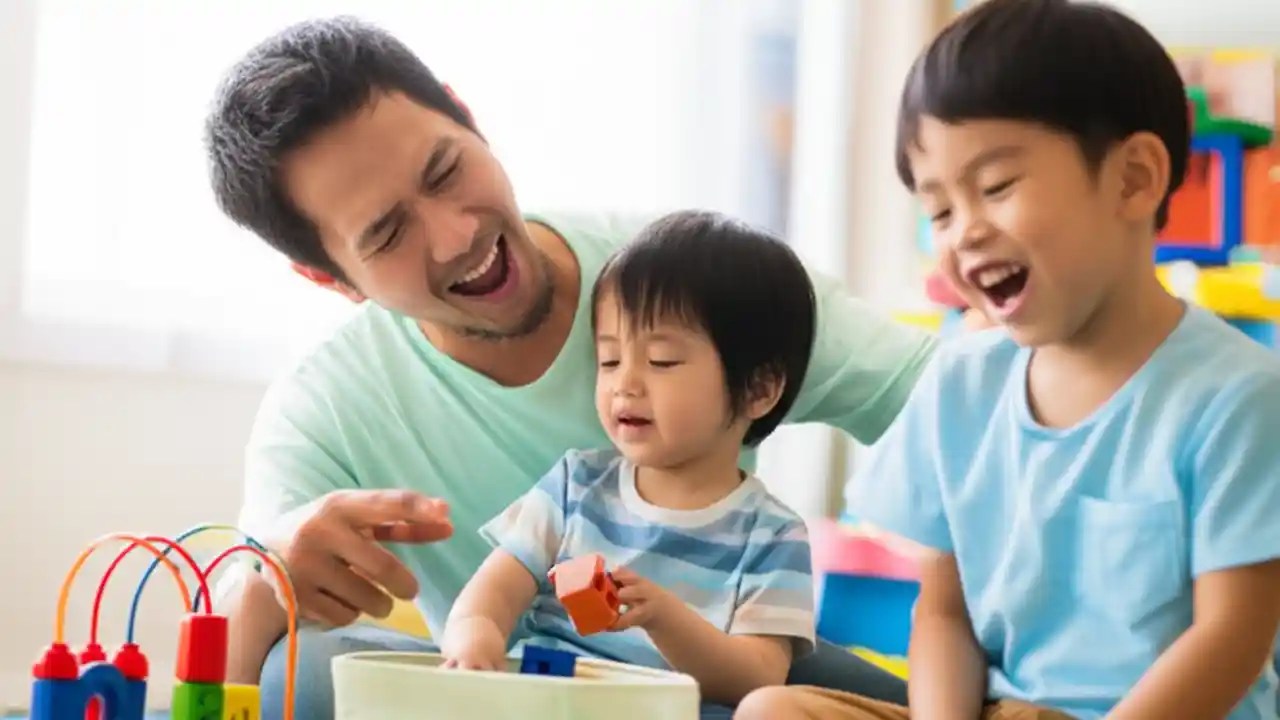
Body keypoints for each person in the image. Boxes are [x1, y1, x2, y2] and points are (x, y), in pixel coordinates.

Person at [203, 15, 936, 720]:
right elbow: (230, 645)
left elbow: (953, 397)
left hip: (710, 688)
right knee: (298, 677)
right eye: (389, 233)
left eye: (446, 169)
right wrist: (275, 574)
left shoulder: (690, 279)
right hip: (526, 690)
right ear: (332, 279)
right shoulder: (325, 406)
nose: (457, 235)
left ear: (466, 115)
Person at [735, 1, 1280, 719]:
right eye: (940, 211)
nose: (964, 234)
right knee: (775, 711)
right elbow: (945, 616)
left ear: (1133, 178)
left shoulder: (1236, 396)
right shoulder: (959, 385)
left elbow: (1232, 637)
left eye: (995, 187)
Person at [442, 210, 817, 712]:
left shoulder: (772, 536)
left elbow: (757, 678)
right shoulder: (576, 486)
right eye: (610, 359)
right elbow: (492, 592)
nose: (625, 384)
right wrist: (473, 638)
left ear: (759, 389)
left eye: (661, 361)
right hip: (545, 699)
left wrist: (663, 617)